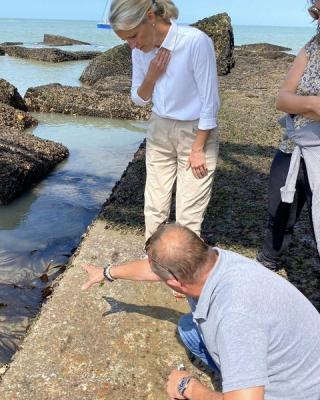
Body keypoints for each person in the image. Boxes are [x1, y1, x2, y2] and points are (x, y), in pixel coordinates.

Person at [82, 224, 320, 399]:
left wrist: (188, 386)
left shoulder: (235, 317)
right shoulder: (214, 258)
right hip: (296, 357)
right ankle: (239, 376)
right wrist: (106, 273)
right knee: (188, 328)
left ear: (175, 283)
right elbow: (155, 268)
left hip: (295, 392)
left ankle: (240, 383)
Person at [109, 0, 220, 241]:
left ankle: (184, 270)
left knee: (189, 211)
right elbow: (139, 99)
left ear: (150, 16)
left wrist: (199, 147)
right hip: (159, 127)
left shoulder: (195, 41)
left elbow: (210, 101)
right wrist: (151, 76)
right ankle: (154, 260)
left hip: (195, 131)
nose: (132, 45)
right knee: (154, 204)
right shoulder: (139, 51)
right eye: (125, 40)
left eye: (133, 36)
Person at [258, 0, 320, 270]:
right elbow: (282, 99)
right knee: (279, 214)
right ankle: (268, 263)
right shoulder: (312, 46)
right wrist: (313, 105)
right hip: (293, 146)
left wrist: (302, 103)